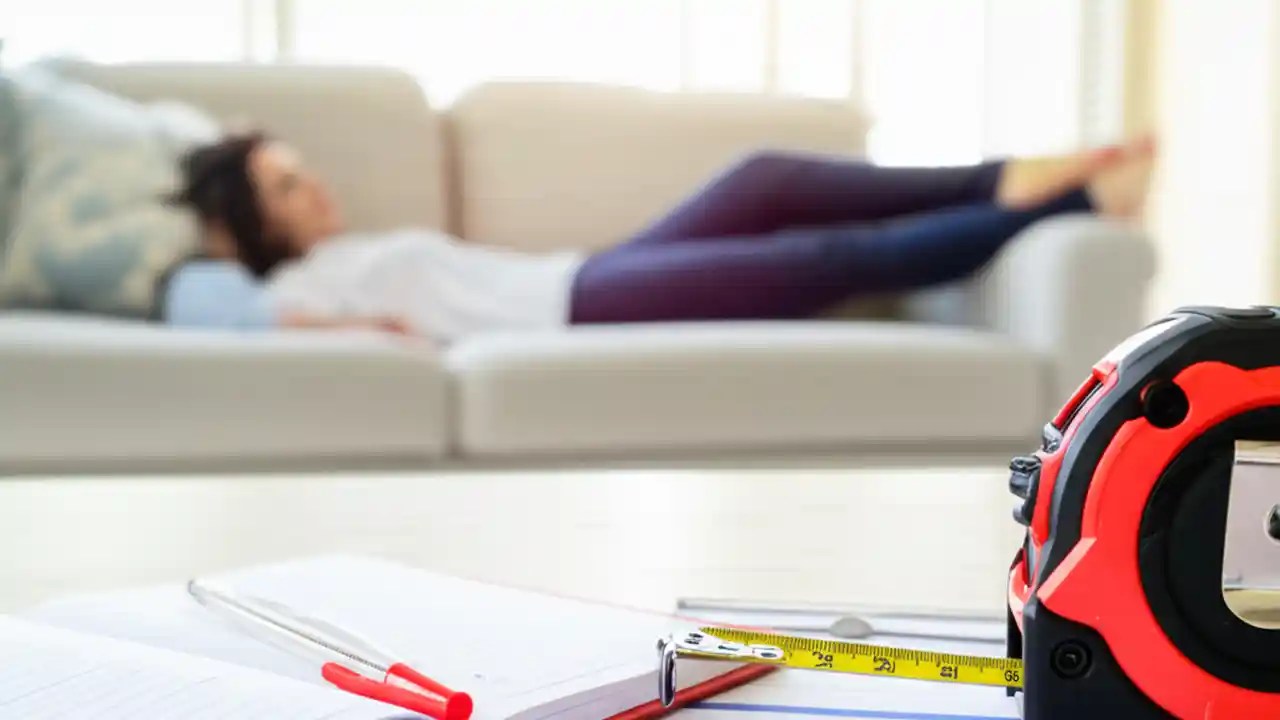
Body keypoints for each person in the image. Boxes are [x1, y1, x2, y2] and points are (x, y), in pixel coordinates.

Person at [164, 132, 1153, 342]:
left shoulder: (344, 251)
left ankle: (999, 177)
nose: (316, 184)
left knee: (763, 178)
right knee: (819, 262)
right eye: (286, 184)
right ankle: (1066, 210)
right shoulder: (285, 296)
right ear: (247, 222)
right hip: (569, 313)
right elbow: (212, 306)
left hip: (583, 275)